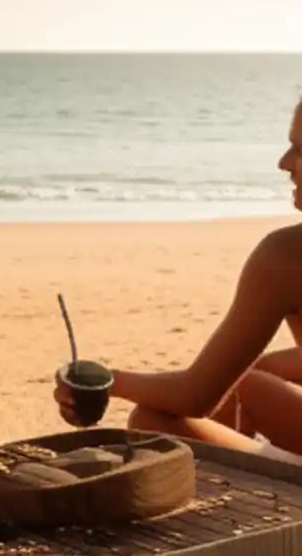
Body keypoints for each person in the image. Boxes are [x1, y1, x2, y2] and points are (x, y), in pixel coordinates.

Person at [55, 96, 302, 464]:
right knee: (246, 381)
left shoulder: (286, 256)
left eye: (299, 149)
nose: (283, 164)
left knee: (152, 424)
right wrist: (262, 368)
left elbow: (194, 397)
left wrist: (106, 382)